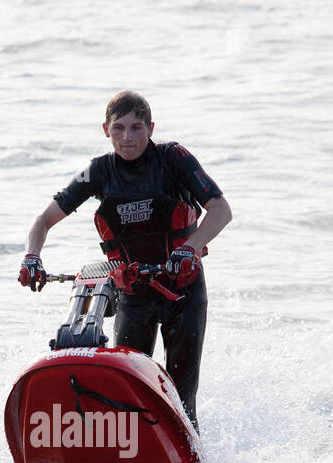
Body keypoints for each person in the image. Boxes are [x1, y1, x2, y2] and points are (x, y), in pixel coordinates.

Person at [18, 91, 232, 431]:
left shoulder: (173, 158)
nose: (127, 137)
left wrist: (190, 248)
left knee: (180, 397)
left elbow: (221, 210)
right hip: (134, 296)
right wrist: (32, 257)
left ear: (150, 127)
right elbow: (42, 221)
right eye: (119, 128)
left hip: (184, 293)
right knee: (128, 391)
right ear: (106, 129)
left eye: (136, 128)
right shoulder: (98, 172)